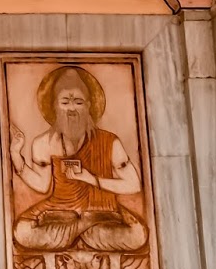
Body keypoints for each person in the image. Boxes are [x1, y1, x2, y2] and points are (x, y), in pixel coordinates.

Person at [8, 65, 146, 253]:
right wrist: (16, 155)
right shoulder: (43, 143)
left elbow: (134, 185)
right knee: (22, 232)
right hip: (60, 212)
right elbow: (41, 185)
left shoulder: (109, 142)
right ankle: (83, 230)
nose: (72, 108)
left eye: (78, 102)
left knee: (137, 235)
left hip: (101, 213)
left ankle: (77, 232)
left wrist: (93, 180)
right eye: (65, 102)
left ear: (89, 106)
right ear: (54, 106)